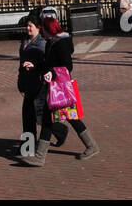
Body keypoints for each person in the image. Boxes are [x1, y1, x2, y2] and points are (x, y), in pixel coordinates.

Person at [40, 16, 98, 160]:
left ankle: (39, 155)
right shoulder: (50, 42)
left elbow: (67, 66)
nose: (41, 32)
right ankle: (90, 145)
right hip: (53, 86)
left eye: (43, 29)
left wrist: (52, 73)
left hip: (61, 88)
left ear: (49, 30)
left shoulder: (60, 44)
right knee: (66, 117)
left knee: (64, 118)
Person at [17, 16, 52, 166]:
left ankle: (60, 131)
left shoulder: (43, 44)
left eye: (31, 26)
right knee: (27, 116)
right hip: (27, 83)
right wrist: (20, 83)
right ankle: (27, 148)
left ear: (38, 27)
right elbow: (20, 64)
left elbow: (47, 65)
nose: (28, 28)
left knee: (39, 116)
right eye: (27, 26)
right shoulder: (24, 42)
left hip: (38, 84)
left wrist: (35, 67)